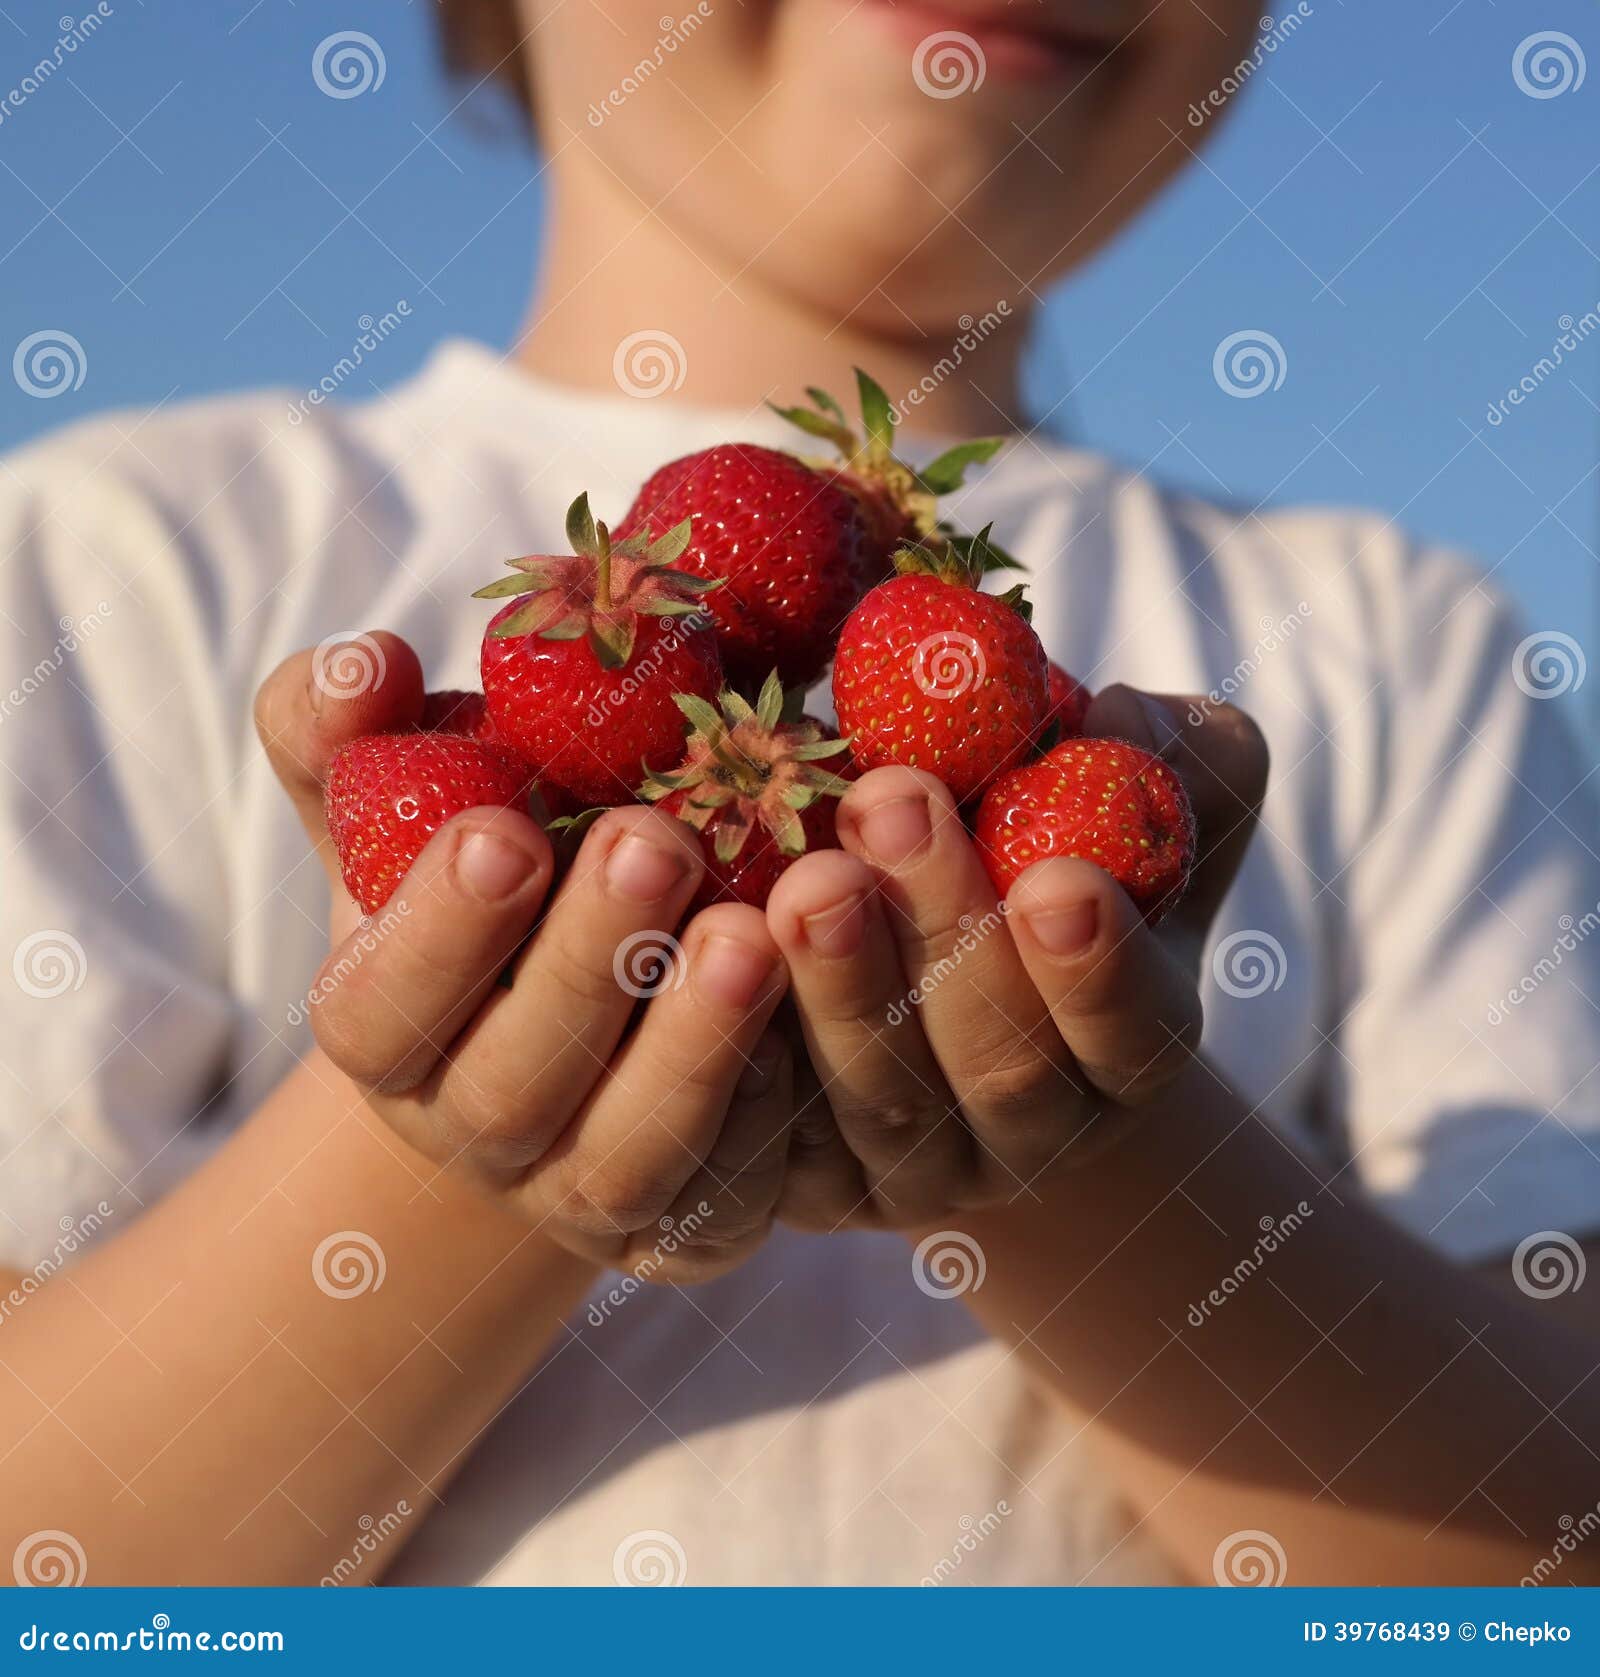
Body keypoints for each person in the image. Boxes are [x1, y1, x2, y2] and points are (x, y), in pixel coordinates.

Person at [2, 0, 1598, 1588]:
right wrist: (468, 1146)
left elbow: (1546, 1562)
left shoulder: (1398, 643)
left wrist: (1101, 1148)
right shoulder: (118, 563)